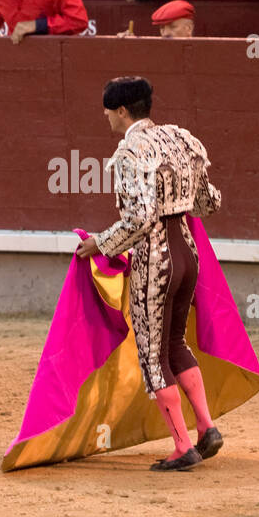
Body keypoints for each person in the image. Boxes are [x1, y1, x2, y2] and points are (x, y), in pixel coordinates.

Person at [75, 77, 223, 472]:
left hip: (156, 261)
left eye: (108, 112)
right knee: (175, 342)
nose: (106, 118)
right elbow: (209, 202)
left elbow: (139, 219)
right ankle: (207, 428)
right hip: (188, 256)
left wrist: (100, 243)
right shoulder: (181, 139)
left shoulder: (129, 152)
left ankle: (181, 446)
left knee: (153, 357)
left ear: (122, 111)